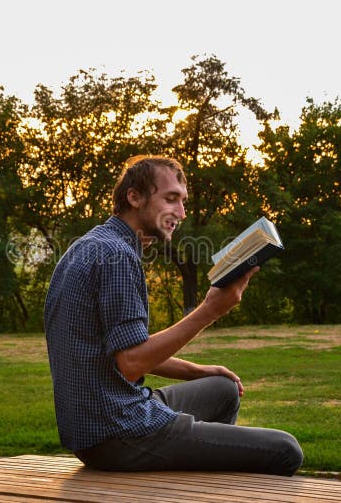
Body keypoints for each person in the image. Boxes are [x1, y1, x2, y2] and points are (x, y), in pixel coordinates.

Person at [43, 155, 303, 474]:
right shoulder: (118, 257)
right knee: (286, 451)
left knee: (222, 388)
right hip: (120, 432)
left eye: (183, 202)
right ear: (134, 197)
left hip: (99, 424)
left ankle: (196, 470)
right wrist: (210, 310)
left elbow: (120, 351)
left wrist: (198, 370)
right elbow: (132, 363)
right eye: (170, 199)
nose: (180, 213)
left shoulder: (91, 245)